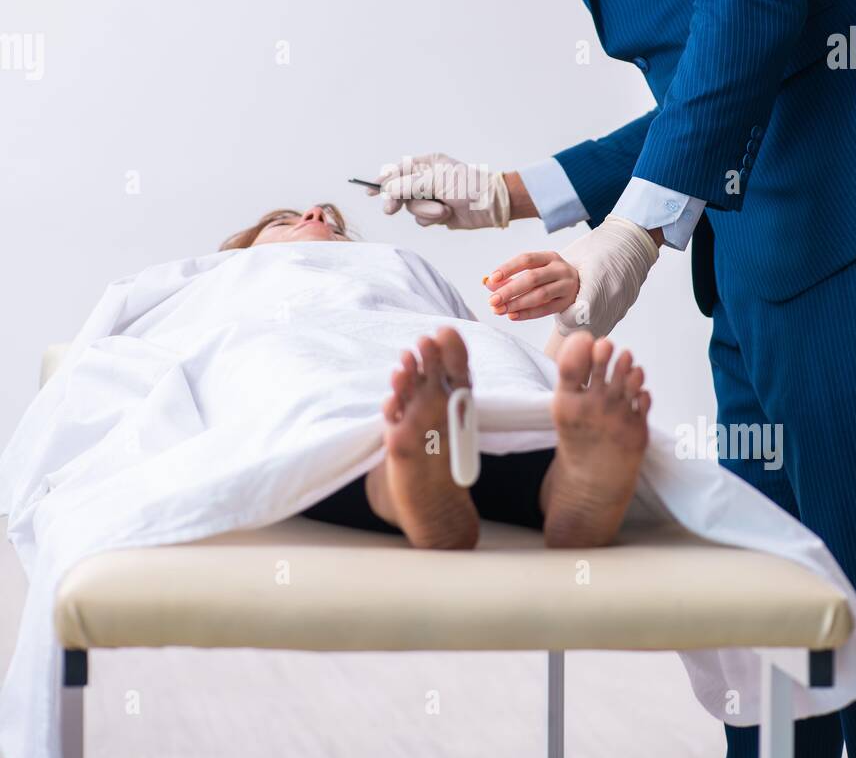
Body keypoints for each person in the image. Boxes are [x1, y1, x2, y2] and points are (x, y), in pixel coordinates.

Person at [379, 0, 856, 758]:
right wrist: (511, 191)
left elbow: (754, 1)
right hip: (766, 265)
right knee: (775, 630)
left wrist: (638, 235)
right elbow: (721, 69)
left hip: (843, 249)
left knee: (855, 618)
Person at [221, 202, 649, 551]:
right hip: (304, 361)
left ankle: (567, 489)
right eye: (281, 222)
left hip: (435, 400)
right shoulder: (216, 288)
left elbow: (491, 358)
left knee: (486, 400)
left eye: (336, 230)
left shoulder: (398, 268)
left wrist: (572, 327)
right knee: (308, 392)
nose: (316, 215)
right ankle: (406, 486)